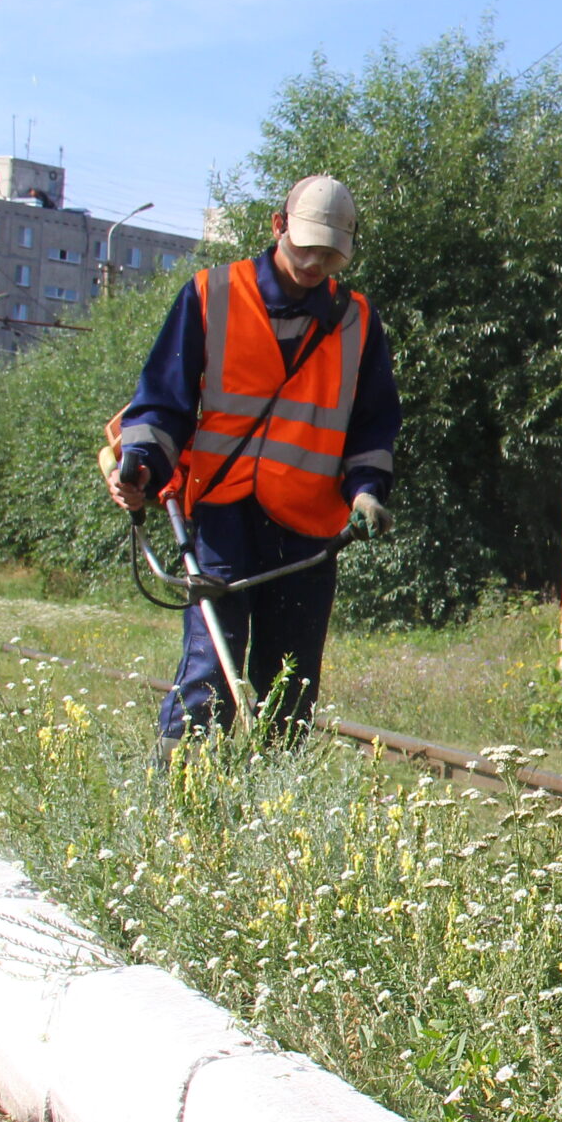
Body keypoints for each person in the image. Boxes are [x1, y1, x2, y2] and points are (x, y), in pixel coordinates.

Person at [106, 174, 399, 740]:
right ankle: (178, 804)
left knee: (289, 691)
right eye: (306, 247)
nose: (315, 265)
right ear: (278, 226)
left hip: (308, 529)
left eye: (330, 255)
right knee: (208, 675)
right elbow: (163, 402)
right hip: (222, 514)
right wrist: (142, 463)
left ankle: (273, 817)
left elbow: (373, 424)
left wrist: (366, 490)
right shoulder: (210, 293)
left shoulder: (358, 320)